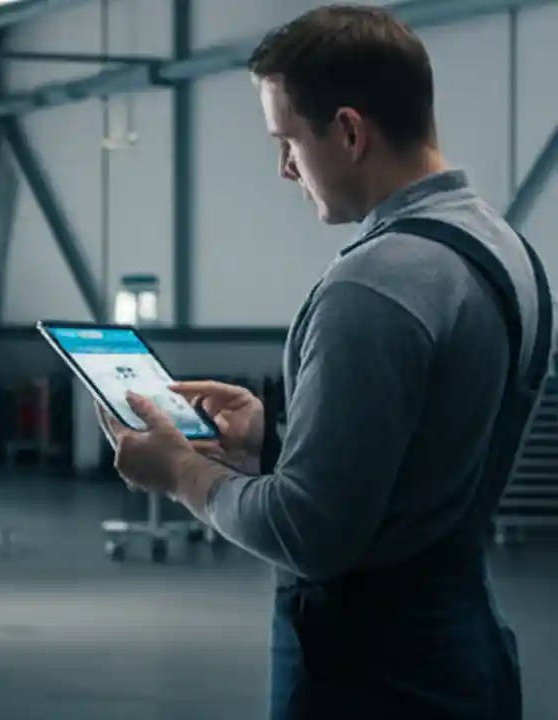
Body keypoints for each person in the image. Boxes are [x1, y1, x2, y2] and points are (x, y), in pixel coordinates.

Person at [95, 5, 553, 720]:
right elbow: (430, 461)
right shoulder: (507, 251)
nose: (283, 169)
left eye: (287, 141)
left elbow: (308, 533)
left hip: (370, 676)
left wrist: (181, 472)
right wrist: (273, 441)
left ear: (348, 131)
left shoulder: (373, 283)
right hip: (466, 651)